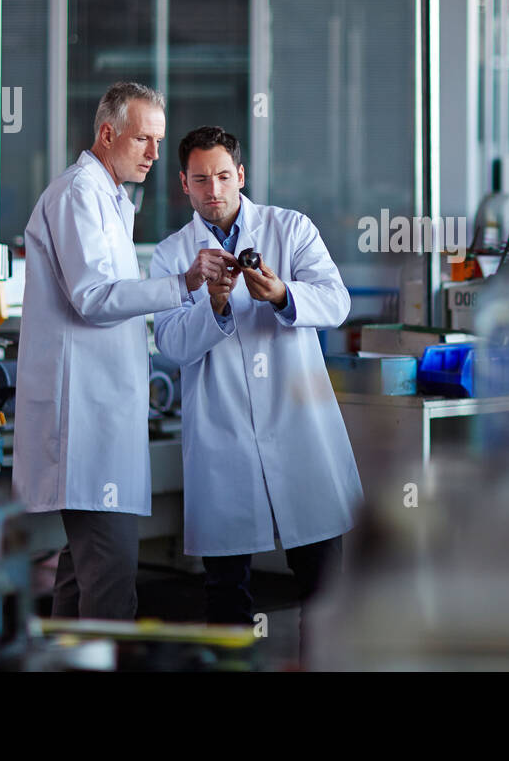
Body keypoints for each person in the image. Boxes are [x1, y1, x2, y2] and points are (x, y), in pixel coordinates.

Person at [13, 82, 223, 620]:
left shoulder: (110, 198)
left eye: (158, 140)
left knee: (82, 577)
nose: (156, 154)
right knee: (109, 586)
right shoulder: (78, 194)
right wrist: (183, 283)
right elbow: (94, 297)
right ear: (108, 134)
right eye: (143, 140)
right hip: (86, 424)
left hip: (104, 418)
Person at [149, 126, 362, 642]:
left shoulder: (290, 230)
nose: (214, 190)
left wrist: (283, 293)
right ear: (184, 183)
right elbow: (172, 344)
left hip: (298, 429)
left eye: (223, 176)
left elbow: (336, 302)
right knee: (226, 594)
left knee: (322, 586)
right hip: (223, 441)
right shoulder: (173, 256)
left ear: (241, 175)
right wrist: (215, 306)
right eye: (201, 179)